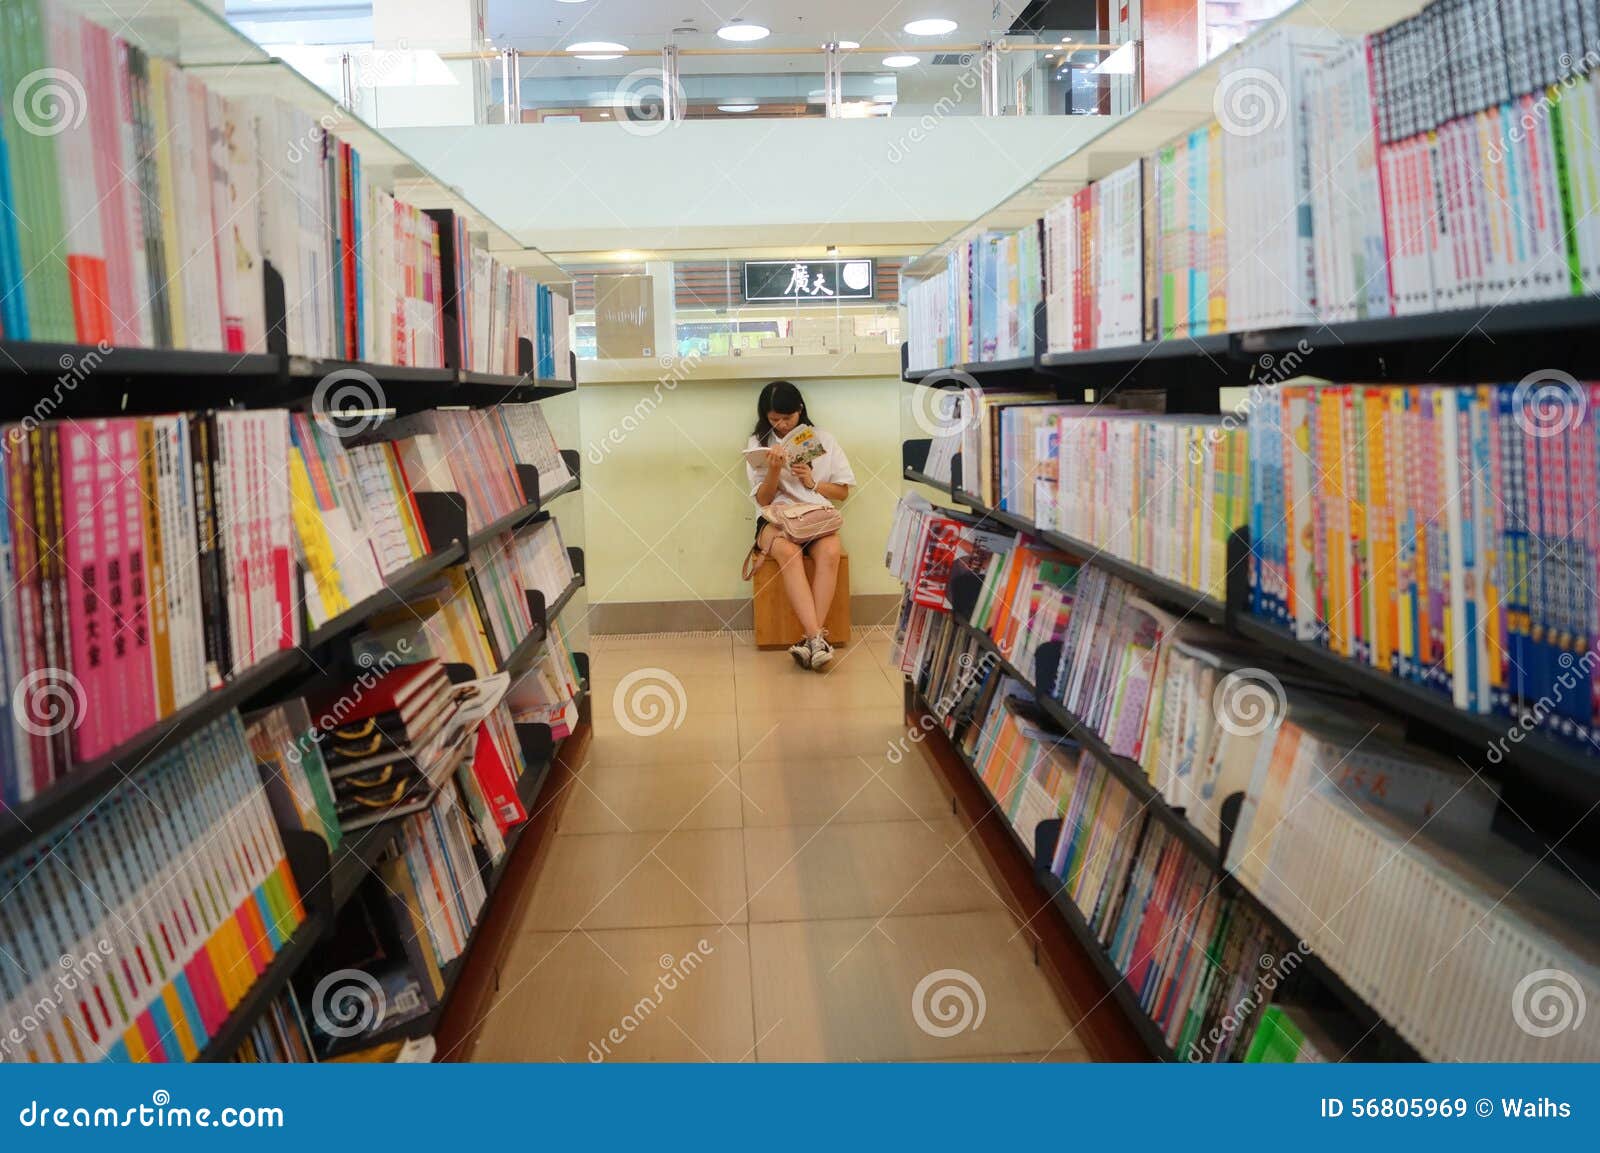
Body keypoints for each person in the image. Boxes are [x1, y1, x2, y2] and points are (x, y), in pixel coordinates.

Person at [745, 380, 854, 669]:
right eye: (774, 419)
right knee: (788, 553)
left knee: (831, 551)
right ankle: (817, 639)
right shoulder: (758, 443)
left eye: (787, 418)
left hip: (815, 517)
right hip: (776, 519)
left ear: (800, 410)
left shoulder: (823, 439)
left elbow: (842, 492)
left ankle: (810, 642)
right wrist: (774, 470)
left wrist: (812, 482)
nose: (781, 425)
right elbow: (763, 500)